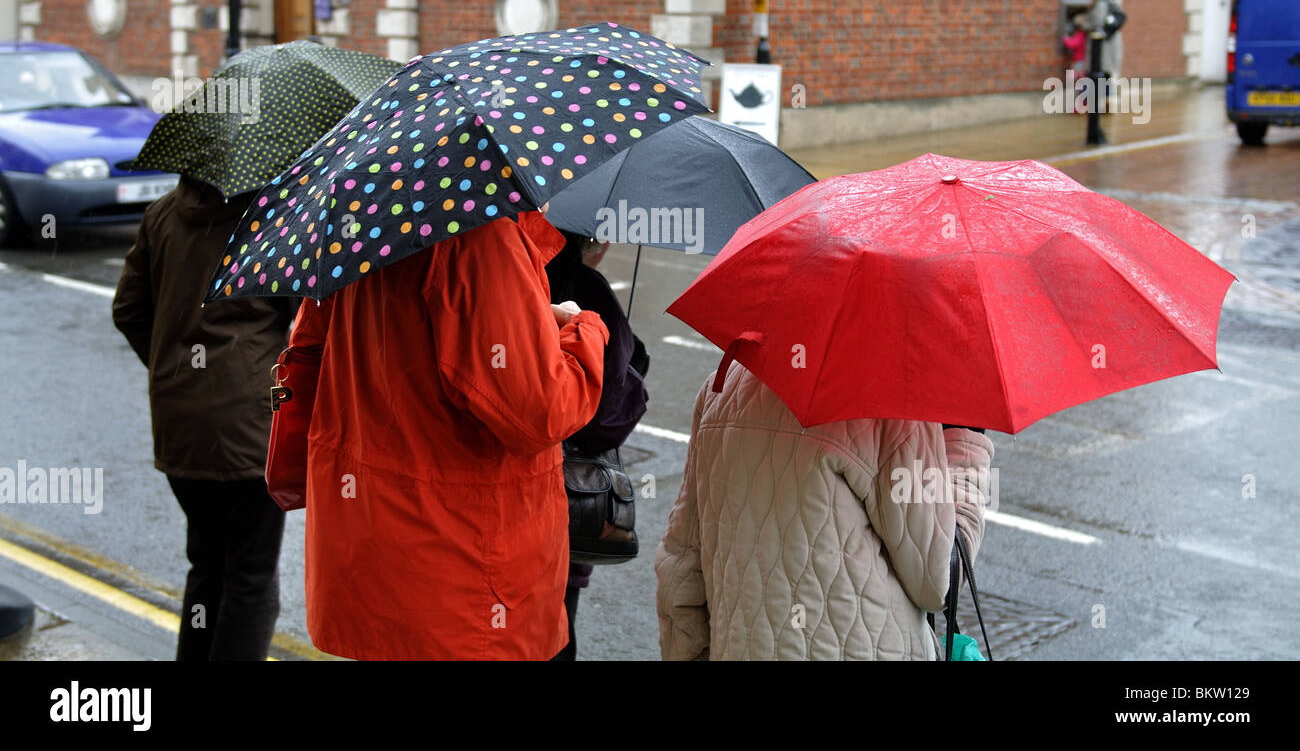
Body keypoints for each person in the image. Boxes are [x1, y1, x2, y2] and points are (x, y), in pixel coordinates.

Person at [285, 210, 609, 661]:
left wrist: (528, 316)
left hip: (374, 549)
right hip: (460, 575)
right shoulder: (480, 237)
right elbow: (540, 410)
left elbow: (311, 348)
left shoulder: (362, 222)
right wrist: (583, 329)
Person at [655, 360, 994, 660]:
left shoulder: (721, 389)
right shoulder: (892, 404)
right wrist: (965, 443)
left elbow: (681, 566)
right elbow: (938, 581)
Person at [112, 176, 297, 661]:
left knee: (208, 566)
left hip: (179, 426)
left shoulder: (162, 214)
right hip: (248, 429)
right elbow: (299, 319)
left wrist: (176, 373)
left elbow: (129, 310)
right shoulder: (267, 217)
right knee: (251, 580)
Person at [545, 232, 649, 661]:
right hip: (567, 498)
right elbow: (606, 418)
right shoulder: (585, 290)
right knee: (554, 632)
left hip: (472, 513)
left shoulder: (485, 274)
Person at [1085, 0, 1125, 93]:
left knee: (1098, 74)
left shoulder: (1101, 3)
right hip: (1112, 44)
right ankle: (1107, 103)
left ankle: (1099, 104)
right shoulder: (1112, 2)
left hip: (1102, 47)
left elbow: (1096, 23)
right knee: (1106, 75)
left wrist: (1083, 23)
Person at [1062, 12, 1089, 114]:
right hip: (1082, 61)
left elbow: (1073, 44)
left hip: (1079, 62)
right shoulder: (1085, 35)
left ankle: (1081, 106)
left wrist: (1065, 38)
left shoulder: (1080, 34)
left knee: (1080, 83)